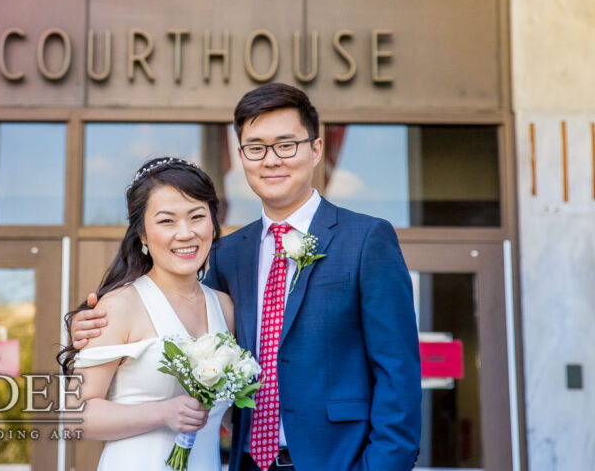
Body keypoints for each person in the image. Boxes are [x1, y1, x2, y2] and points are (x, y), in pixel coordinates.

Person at [73, 83, 422, 471]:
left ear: (316, 149)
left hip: (340, 461)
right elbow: (182, 327)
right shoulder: (229, 253)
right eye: (256, 148)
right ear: (241, 157)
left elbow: (398, 371)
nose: (271, 160)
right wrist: (90, 327)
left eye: (286, 145)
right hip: (248, 462)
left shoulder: (366, 239)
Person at [59, 157, 236, 471]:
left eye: (197, 216)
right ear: (142, 233)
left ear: (213, 221)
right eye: (167, 221)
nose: (185, 233)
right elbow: (75, 414)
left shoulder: (225, 307)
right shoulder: (121, 305)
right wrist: (162, 413)